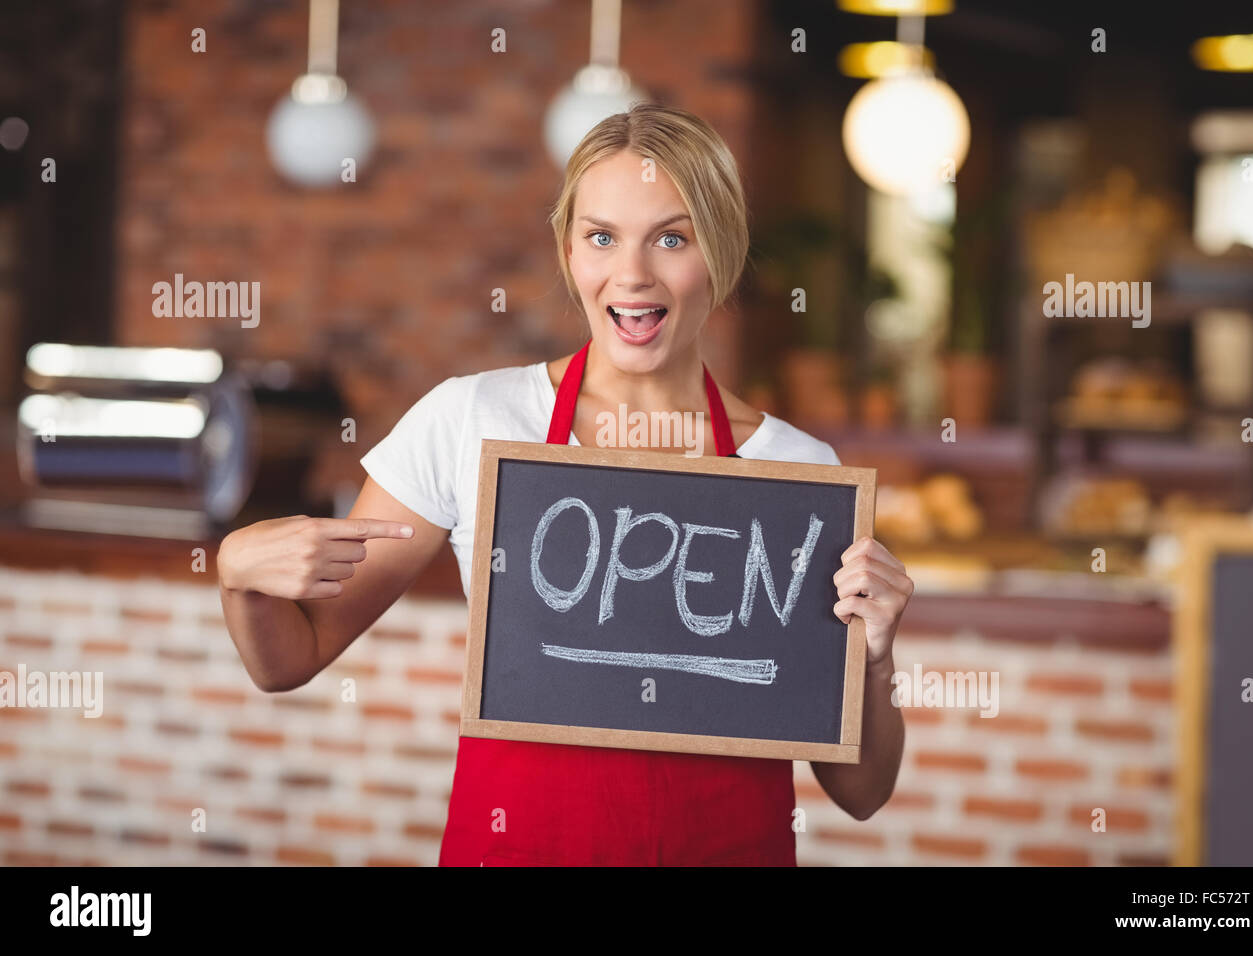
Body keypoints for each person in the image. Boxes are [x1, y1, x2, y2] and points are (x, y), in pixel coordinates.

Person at [217, 102, 912, 866]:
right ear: (568, 250)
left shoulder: (801, 475)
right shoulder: (472, 419)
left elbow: (861, 792)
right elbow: (288, 660)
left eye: (672, 238)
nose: (632, 274)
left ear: (722, 253)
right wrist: (240, 576)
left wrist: (875, 658)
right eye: (602, 237)